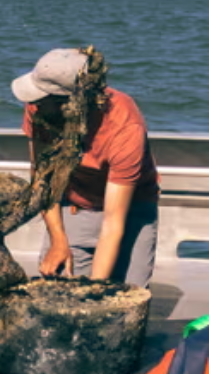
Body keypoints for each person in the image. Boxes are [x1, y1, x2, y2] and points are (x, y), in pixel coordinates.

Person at [12, 48, 160, 288]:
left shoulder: (125, 126)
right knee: (60, 290)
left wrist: (93, 293)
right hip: (75, 204)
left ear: (71, 103)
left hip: (132, 208)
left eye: (43, 99)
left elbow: (113, 222)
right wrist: (58, 241)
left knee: (123, 298)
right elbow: (43, 180)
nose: (33, 105)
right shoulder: (38, 107)